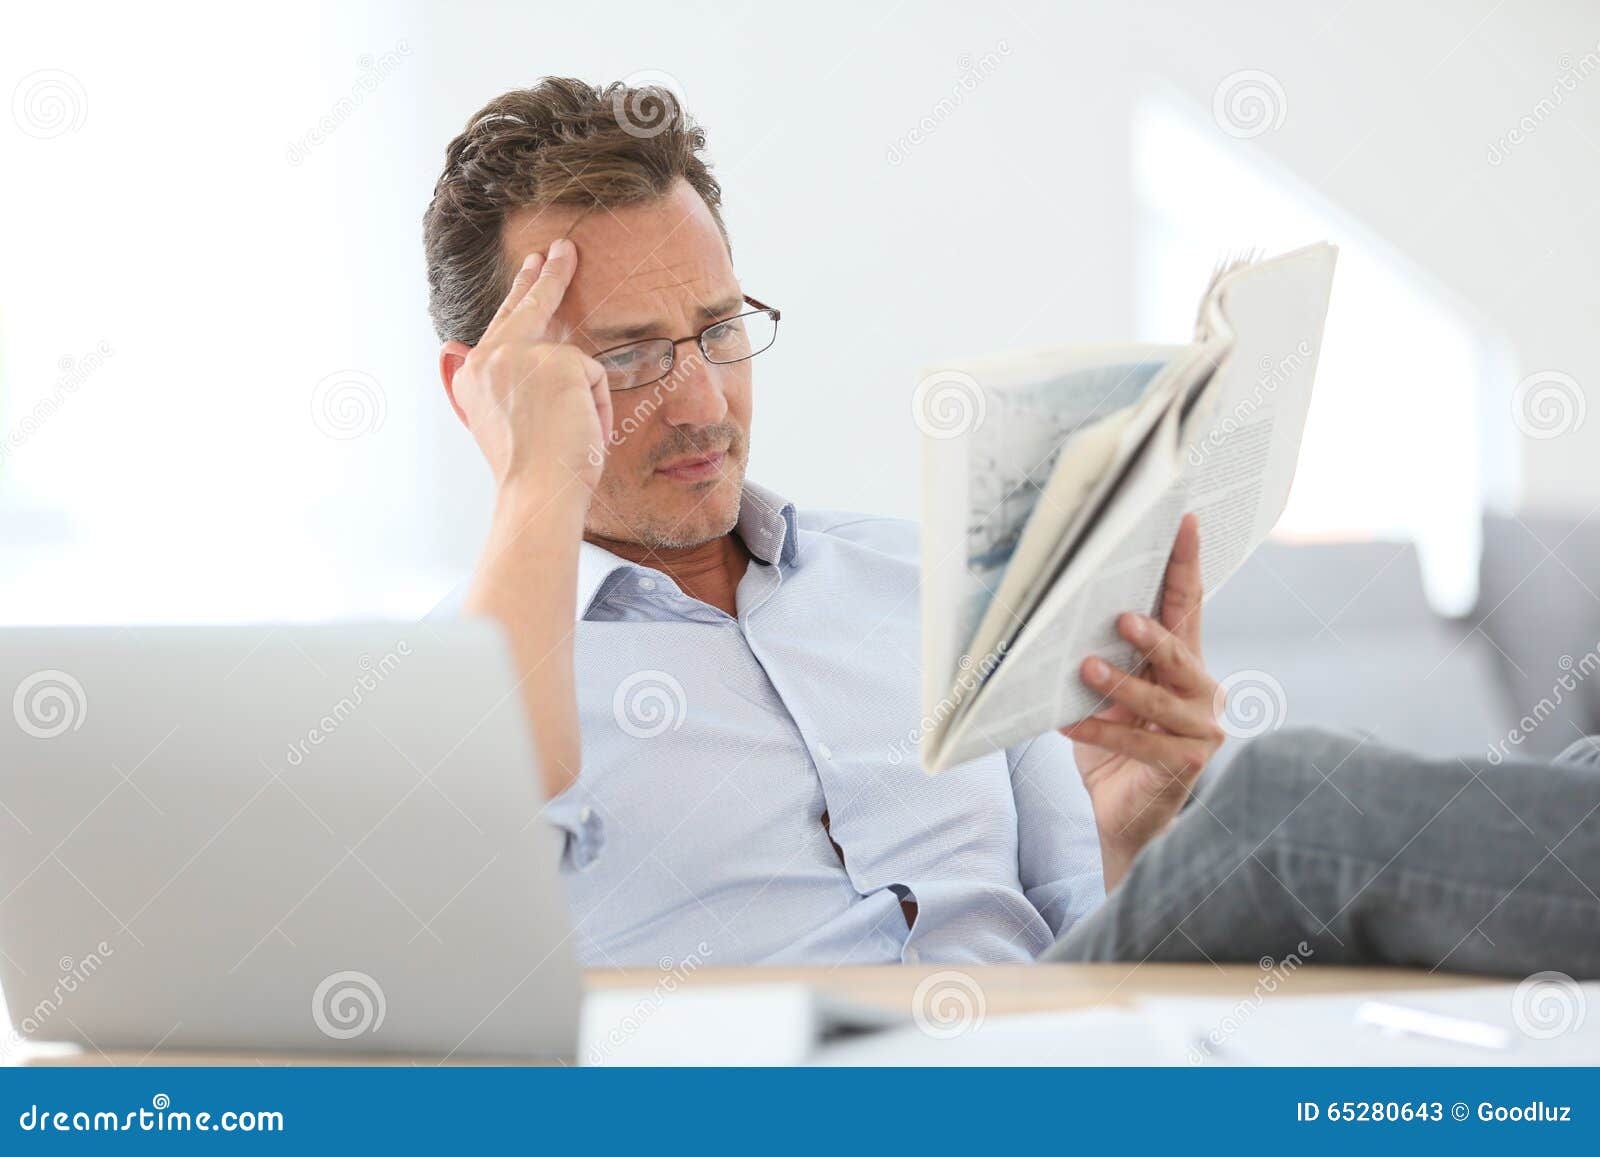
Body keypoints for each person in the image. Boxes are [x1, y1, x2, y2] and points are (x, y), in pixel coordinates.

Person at [425, 78, 1598, 976]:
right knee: (1284, 806)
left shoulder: (916, 579)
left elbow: (1088, 936)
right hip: (783, 1092)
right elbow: (458, 913)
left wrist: (1131, 826)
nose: (700, 400)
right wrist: (537, 480)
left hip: (1055, 1058)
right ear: (485, 384)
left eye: (720, 327)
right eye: (624, 357)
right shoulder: (463, 675)